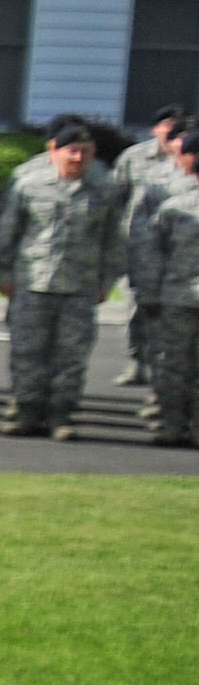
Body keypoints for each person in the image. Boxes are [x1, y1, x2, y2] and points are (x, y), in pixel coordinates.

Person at [0, 115, 121, 437]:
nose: (77, 157)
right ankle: (26, 409)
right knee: (27, 352)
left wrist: (106, 283)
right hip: (33, 282)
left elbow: (113, 242)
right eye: (71, 151)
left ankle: (61, 414)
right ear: (55, 152)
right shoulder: (30, 186)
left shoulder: (104, 190)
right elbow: (8, 233)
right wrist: (3, 273)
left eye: (85, 151)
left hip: (80, 286)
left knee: (71, 356)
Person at [132, 114, 199, 449]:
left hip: (177, 295)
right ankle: (171, 424)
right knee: (171, 365)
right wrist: (148, 293)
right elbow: (150, 252)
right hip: (176, 297)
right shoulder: (173, 207)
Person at [119, 102, 189, 397]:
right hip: (138, 246)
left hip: (179, 255)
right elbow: (117, 195)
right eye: (168, 127)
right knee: (138, 308)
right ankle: (136, 361)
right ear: (155, 129)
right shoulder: (134, 158)